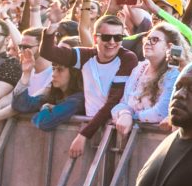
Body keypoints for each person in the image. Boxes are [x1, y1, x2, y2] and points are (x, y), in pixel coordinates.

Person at [39, 13, 138, 158]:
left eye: (118, 37)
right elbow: (48, 53)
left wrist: (84, 134)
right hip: (93, 128)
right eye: (106, 37)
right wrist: (52, 28)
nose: (112, 42)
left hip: (117, 130)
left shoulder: (127, 58)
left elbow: (113, 101)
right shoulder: (86, 55)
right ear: (95, 37)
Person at [112, 23, 190, 135]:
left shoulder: (174, 73)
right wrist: (125, 113)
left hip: (155, 139)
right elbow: (124, 102)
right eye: (147, 39)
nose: (148, 42)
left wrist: (131, 117)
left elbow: (161, 113)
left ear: (169, 47)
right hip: (132, 140)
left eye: (155, 39)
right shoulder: (139, 68)